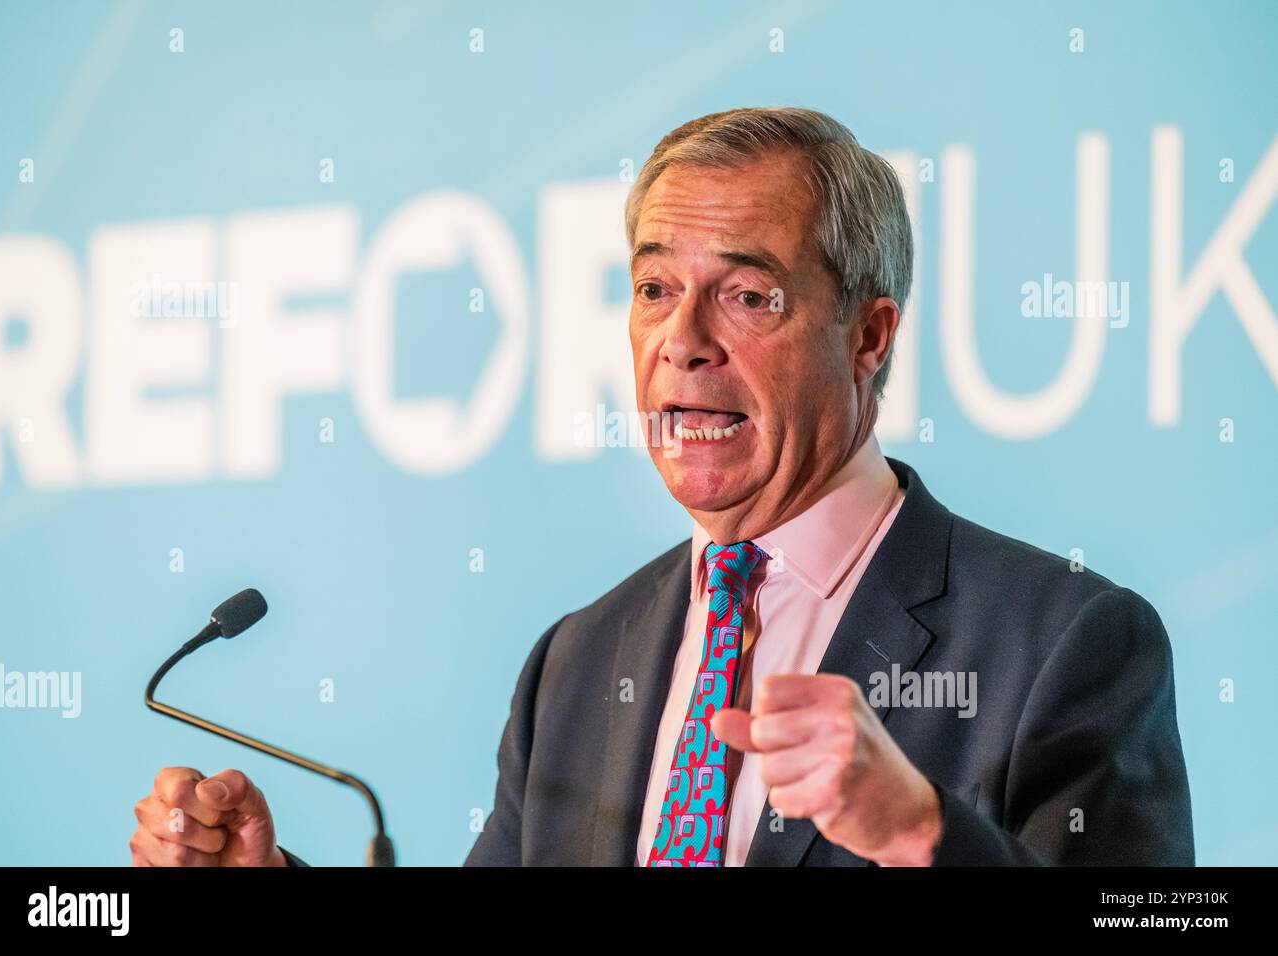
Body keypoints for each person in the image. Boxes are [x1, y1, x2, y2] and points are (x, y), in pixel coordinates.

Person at [130, 107, 1193, 868]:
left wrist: (922, 833)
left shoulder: (1067, 639)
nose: (680, 343)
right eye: (652, 289)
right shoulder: (577, 660)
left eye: (745, 293)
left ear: (867, 335)